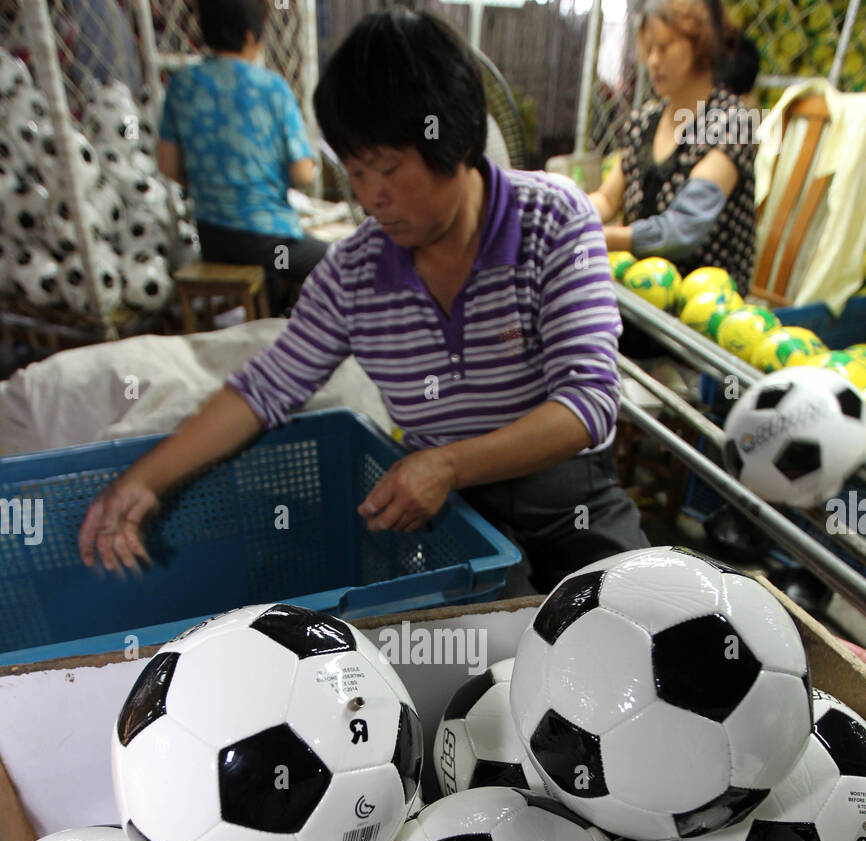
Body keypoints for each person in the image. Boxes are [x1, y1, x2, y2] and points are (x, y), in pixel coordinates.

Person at [79, 9, 647, 590]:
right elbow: (263, 390)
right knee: (491, 654)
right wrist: (146, 480)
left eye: (389, 169)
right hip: (450, 513)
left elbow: (590, 399)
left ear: (455, 141)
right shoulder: (354, 271)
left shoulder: (554, 219)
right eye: (355, 172)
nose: (372, 197)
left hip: (565, 492)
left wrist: (448, 464)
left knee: (646, 612)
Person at [589, 0, 758, 356]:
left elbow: (682, 230)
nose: (653, 61)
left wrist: (593, 237)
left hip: (695, 319)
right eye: (648, 49)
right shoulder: (644, 122)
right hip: (641, 299)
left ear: (700, 44)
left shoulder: (730, 124)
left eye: (664, 47)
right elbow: (607, 199)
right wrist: (562, 213)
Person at [156, 0, 327, 314]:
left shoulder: (181, 86)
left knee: (277, 273)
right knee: (337, 262)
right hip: (270, 248)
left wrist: (211, 182)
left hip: (212, 241)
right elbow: (303, 175)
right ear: (252, 35)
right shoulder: (271, 89)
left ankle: (272, 317)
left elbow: (168, 165)